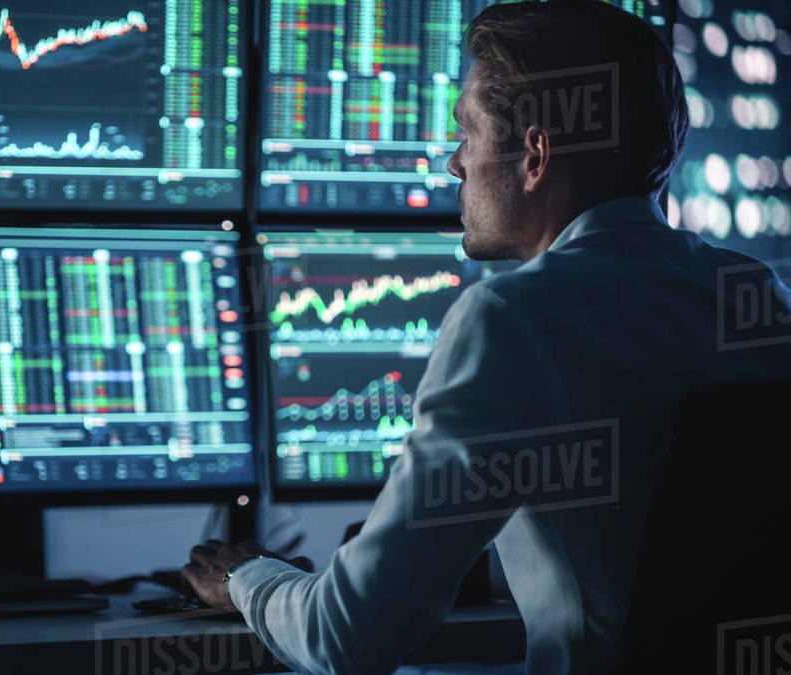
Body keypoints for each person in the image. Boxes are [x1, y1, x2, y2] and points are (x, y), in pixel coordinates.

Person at [182, 2, 791, 674]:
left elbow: (345, 638)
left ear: (535, 153)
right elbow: (655, 555)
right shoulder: (755, 295)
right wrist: (487, 561)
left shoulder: (512, 316)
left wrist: (245, 577)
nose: (453, 163)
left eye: (466, 132)